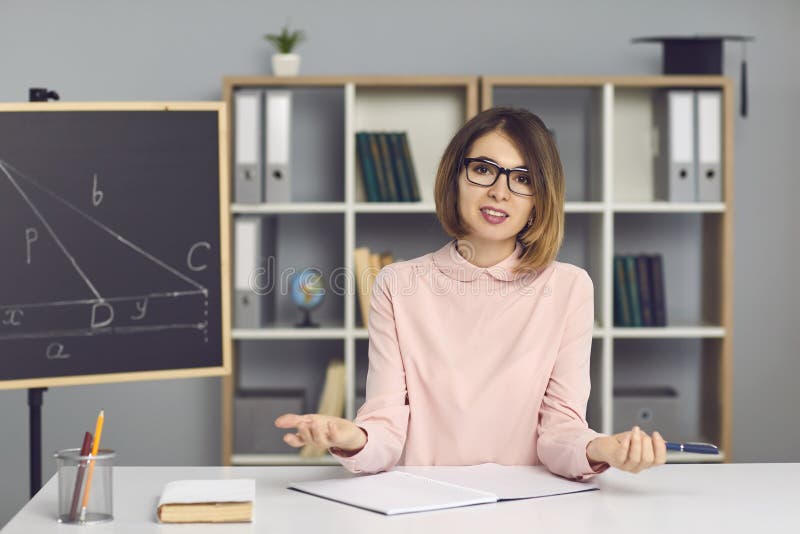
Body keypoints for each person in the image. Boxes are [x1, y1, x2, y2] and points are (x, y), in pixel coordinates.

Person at [275, 107, 667, 480]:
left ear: (540, 200)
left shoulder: (569, 288)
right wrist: (349, 438)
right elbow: (384, 430)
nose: (500, 191)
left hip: (526, 508)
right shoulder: (397, 285)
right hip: (423, 505)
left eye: (523, 178)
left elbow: (561, 432)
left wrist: (602, 449)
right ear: (455, 179)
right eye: (483, 170)